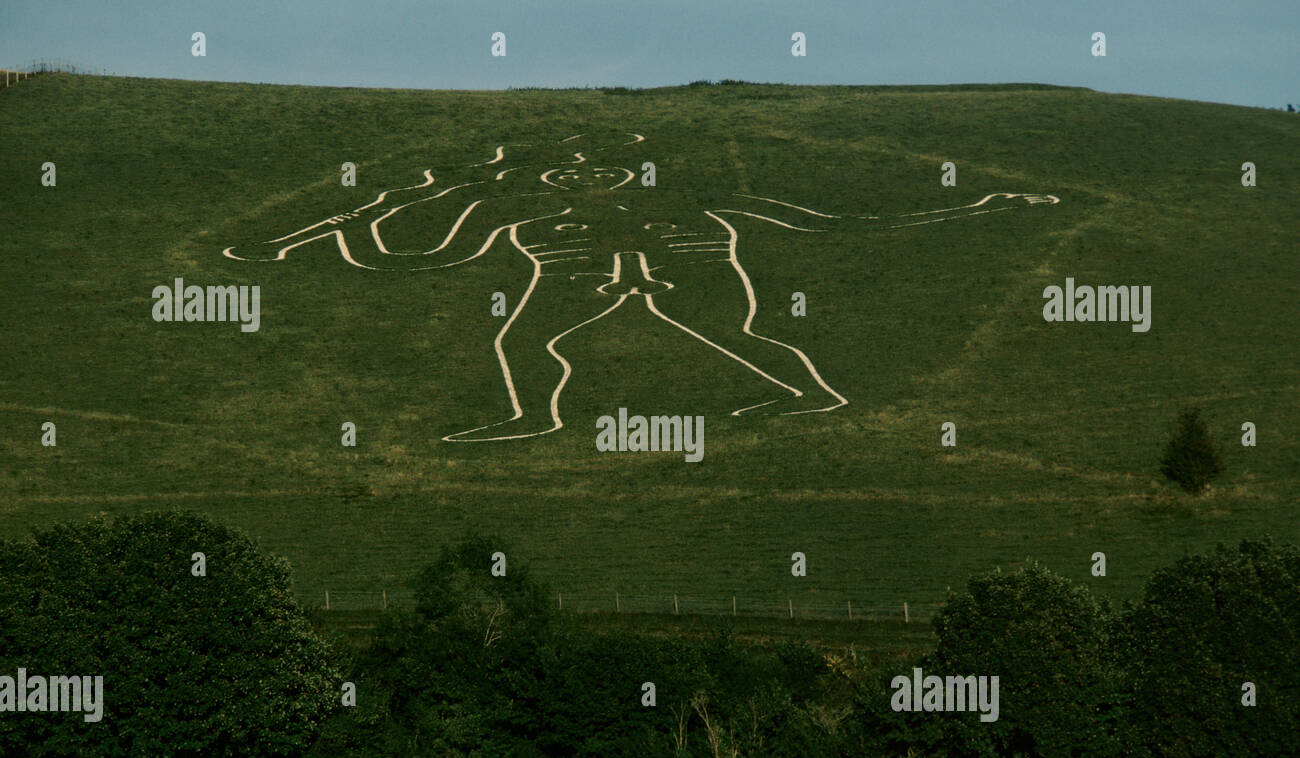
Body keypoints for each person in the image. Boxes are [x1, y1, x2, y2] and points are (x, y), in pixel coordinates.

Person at [226, 133, 1058, 441]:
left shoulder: (683, 202)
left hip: (684, 265)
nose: (586, 172)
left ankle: (811, 398)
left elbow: (825, 223)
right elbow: (413, 264)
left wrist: (978, 204)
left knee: (740, 335)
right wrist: (366, 218)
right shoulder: (525, 220)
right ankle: (530, 416)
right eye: (572, 169)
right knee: (518, 338)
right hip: (578, 273)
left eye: (601, 165)